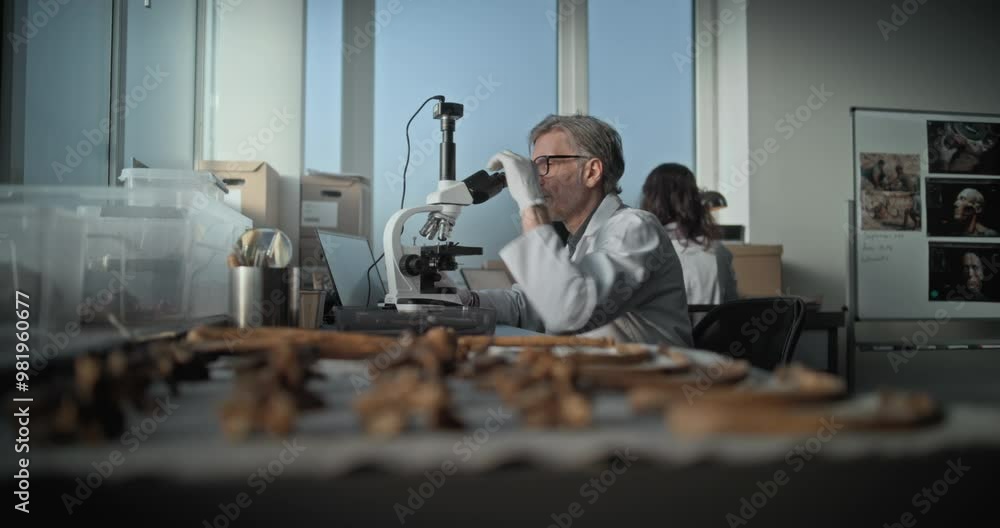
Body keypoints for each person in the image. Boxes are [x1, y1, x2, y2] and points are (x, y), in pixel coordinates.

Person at [457, 114, 693, 347]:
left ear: (591, 172)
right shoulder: (578, 240)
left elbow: (567, 311)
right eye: (533, 167)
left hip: (651, 378)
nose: (536, 179)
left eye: (544, 164)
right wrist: (463, 300)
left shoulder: (635, 227)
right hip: (602, 374)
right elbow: (529, 305)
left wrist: (529, 202)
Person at [639, 163, 739, 309]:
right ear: (694, 198)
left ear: (651, 199)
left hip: (666, 331)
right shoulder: (719, 252)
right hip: (712, 331)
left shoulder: (643, 253)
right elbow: (732, 305)